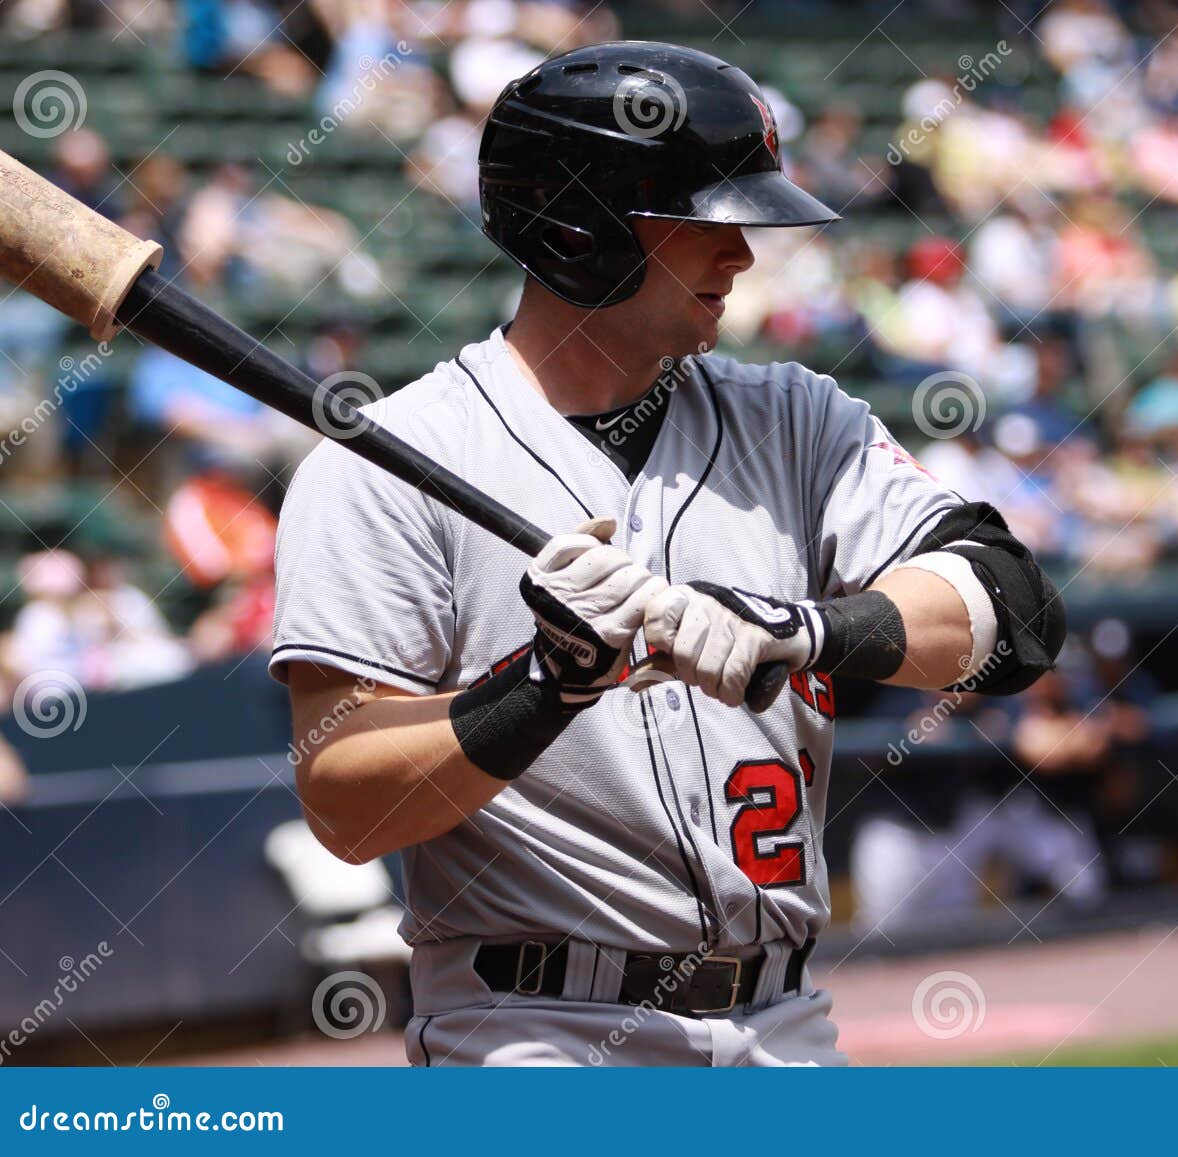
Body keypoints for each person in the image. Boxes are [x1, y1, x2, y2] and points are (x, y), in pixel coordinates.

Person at [271, 43, 1065, 1068]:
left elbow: (1014, 608)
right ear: (581, 226)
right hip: (534, 1033)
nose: (740, 254)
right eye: (704, 220)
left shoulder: (795, 418)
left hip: (782, 1021)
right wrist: (546, 685)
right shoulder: (387, 464)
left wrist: (801, 629)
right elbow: (344, 795)